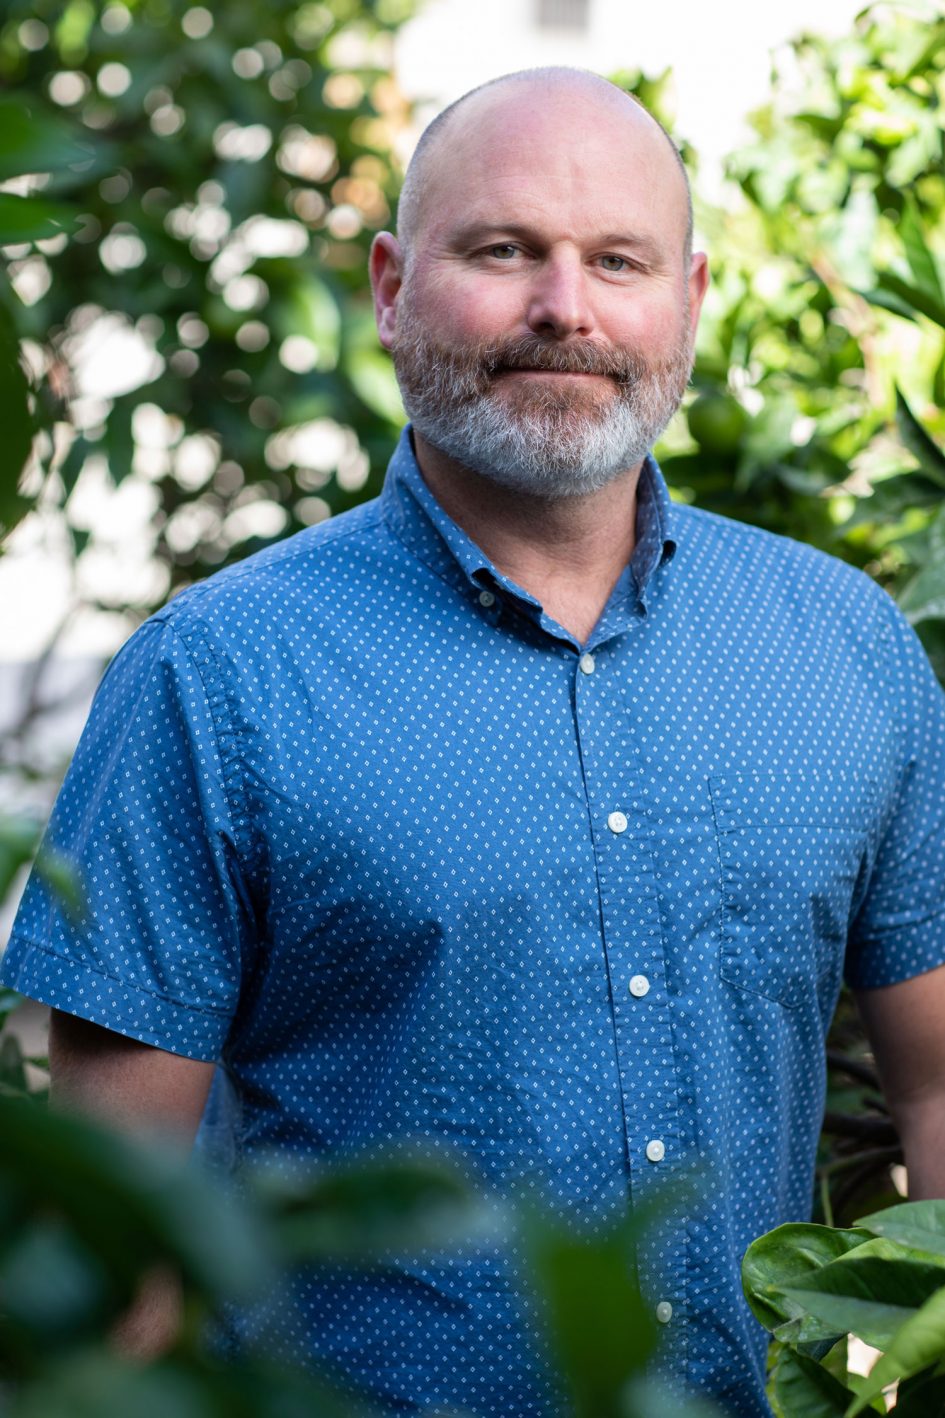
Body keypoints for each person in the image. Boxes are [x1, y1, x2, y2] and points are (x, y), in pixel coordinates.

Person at [5, 65, 945, 1418]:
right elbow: (121, 1242)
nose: (563, 306)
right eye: (503, 251)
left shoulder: (844, 648)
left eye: (615, 260)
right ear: (390, 286)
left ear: (687, 298)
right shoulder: (216, 676)